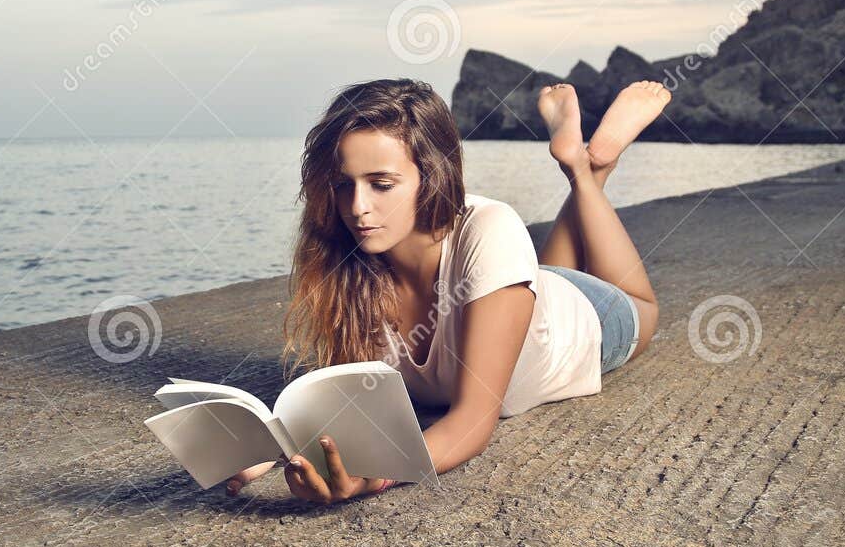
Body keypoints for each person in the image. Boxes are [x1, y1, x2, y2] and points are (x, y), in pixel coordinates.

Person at [224, 76, 670, 505]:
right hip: (520, 292)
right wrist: (278, 444)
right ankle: (584, 165)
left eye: (381, 185)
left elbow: (473, 422)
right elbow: (350, 399)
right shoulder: (350, 264)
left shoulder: (492, 228)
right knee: (545, 269)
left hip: (586, 312)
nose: (357, 207)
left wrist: (373, 476)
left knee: (642, 308)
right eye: (343, 185)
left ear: (431, 176)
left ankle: (585, 168)